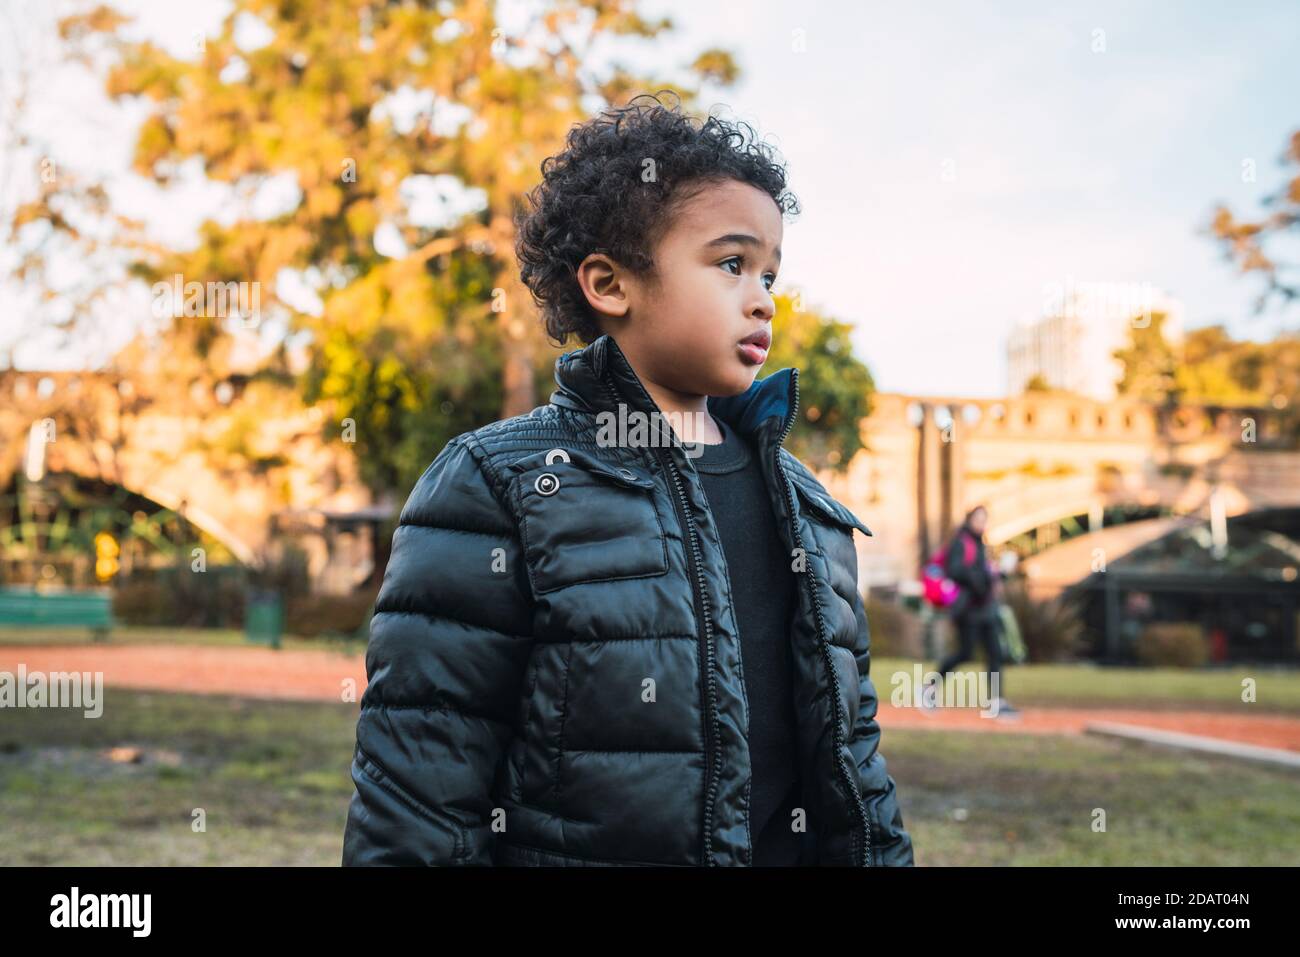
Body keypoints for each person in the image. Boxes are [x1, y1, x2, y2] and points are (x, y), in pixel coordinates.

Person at [341, 92, 913, 866]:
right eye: (732, 263)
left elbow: (856, 765)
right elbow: (420, 790)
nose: (762, 298)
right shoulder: (499, 483)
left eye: (771, 273)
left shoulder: (811, 508)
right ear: (610, 285)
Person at [921, 505, 1019, 719]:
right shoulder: (961, 541)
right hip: (968, 609)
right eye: (979, 518)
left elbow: (983, 575)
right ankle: (929, 686)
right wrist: (983, 578)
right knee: (965, 652)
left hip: (986, 608)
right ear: (969, 519)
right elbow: (955, 571)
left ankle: (996, 702)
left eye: (985, 519)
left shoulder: (980, 544)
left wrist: (999, 574)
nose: (982, 523)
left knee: (995, 653)